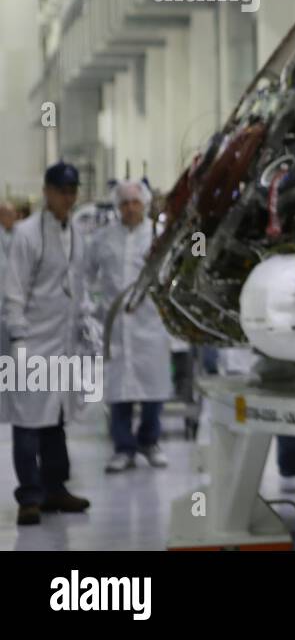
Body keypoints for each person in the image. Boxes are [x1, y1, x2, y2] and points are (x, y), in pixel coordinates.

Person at [0, 163, 95, 525]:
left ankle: (55, 488)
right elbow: (14, 289)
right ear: (47, 192)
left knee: (55, 417)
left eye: (73, 191)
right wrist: (19, 336)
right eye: (62, 191)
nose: (68, 198)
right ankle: (29, 497)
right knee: (27, 422)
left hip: (63, 341)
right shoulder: (26, 234)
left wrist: (86, 321)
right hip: (31, 342)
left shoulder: (75, 232)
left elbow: (77, 284)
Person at [85, 179, 173, 473]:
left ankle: (149, 441)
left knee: (154, 387)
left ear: (145, 205)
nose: (130, 208)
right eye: (124, 204)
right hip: (116, 326)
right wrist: (90, 308)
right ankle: (123, 448)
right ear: (117, 207)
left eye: (135, 203)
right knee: (118, 390)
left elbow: (176, 274)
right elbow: (85, 274)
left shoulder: (160, 237)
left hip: (150, 323)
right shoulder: (102, 238)